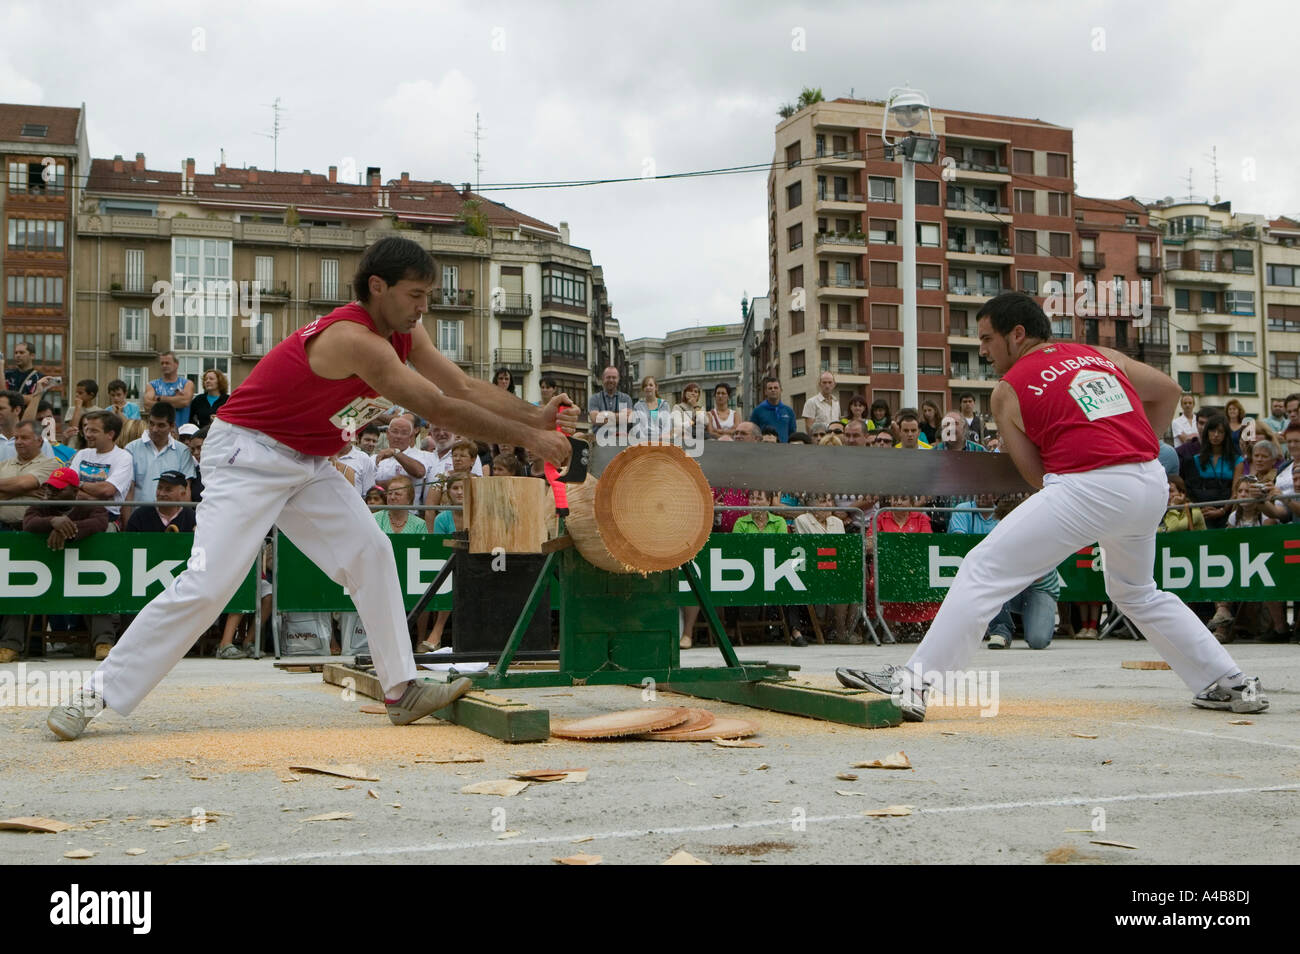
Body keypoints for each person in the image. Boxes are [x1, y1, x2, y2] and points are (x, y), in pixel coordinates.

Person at [46, 235, 576, 741]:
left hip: (309, 460)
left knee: (371, 553)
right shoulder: (354, 340)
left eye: (428, 296)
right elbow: (437, 407)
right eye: (416, 296)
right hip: (247, 455)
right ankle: (94, 695)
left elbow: (459, 384)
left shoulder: (404, 330)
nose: (423, 308)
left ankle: (402, 690)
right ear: (377, 287)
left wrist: (536, 416)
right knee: (209, 585)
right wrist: (532, 438)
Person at [835, 291, 1268, 720]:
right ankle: (1228, 682)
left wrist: (1092, 468)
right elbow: (1169, 391)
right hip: (1148, 481)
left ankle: (915, 683)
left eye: (987, 339)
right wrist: (1135, 447)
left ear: (1017, 334)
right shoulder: (1096, 353)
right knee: (1136, 591)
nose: (982, 350)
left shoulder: (1006, 391)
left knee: (982, 569)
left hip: (1088, 485)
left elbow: (1036, 475)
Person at [20, 468, 118, 661]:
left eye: (57, 489)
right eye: (49, 488)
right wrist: (53, 521)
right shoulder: (41, 505)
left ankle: (104, 642)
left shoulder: (91, 505)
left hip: (85, 570)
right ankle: (10, 645)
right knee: (18, 592)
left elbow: (99, 522)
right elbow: (29, 522)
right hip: (44, 569)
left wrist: (65, 530)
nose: (51, 492)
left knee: (99, 592)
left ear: (74, 491)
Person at [124, 403, 196, 518]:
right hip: (139, 519)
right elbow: (128, 490)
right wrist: (127, 527)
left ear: (172, 426)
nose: (154, 429)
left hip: (172, 519)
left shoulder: (183, 451)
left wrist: (183, 522)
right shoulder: (131, 449)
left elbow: (185, 490)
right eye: (151, 424)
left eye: (161, 425)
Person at [69, 410, 134, 523]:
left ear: (110, 434)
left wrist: (79, 484)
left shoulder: (124, 457)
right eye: (87, 429)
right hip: (76, 513)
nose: (88, 435)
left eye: (94, 431)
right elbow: (68, 487)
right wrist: (95, 499)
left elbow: (107, 490)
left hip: (106, 518)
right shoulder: (82, 454)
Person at [1180, 413, 1240, 529]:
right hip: (1202, 513)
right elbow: (1191, 490)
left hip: (1227, 513)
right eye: (1212, 431)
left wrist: (1222, 510)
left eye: (1221, 432)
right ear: (1207, 433)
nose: (1216, 435)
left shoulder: (1237, 460)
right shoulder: (1195, 460)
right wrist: (1202, 509)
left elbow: (1235, 492)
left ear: (1226, 435)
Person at [0, 421, 59, 533]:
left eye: (24, 438)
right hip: (2, 529)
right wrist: (25, 492)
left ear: (39, 441)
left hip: (33, 531)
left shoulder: (51, 464)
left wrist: (18, 489)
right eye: (16, 438)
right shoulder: (3, 465)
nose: (18, 442)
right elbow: (22, 487)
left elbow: (23, 484)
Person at [143, 352, 196, 429]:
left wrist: (160, 399)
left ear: (176, 364)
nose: (164, 366)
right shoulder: (152, 385)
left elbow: (185, 402)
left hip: (181, 431)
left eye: (167, 363)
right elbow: (147, 405)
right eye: (162, 363)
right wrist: (176, 400)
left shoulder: (187, 383)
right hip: (158, 431)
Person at [750, 376, 795, 442]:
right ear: (765, 392)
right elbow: (753, 433)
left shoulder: (789, 411)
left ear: (781, 390)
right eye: (770, 388)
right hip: (765, 449)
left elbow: (792, 434)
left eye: (776, 388)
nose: (773, 390)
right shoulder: (757, 411)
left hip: (785, 449)